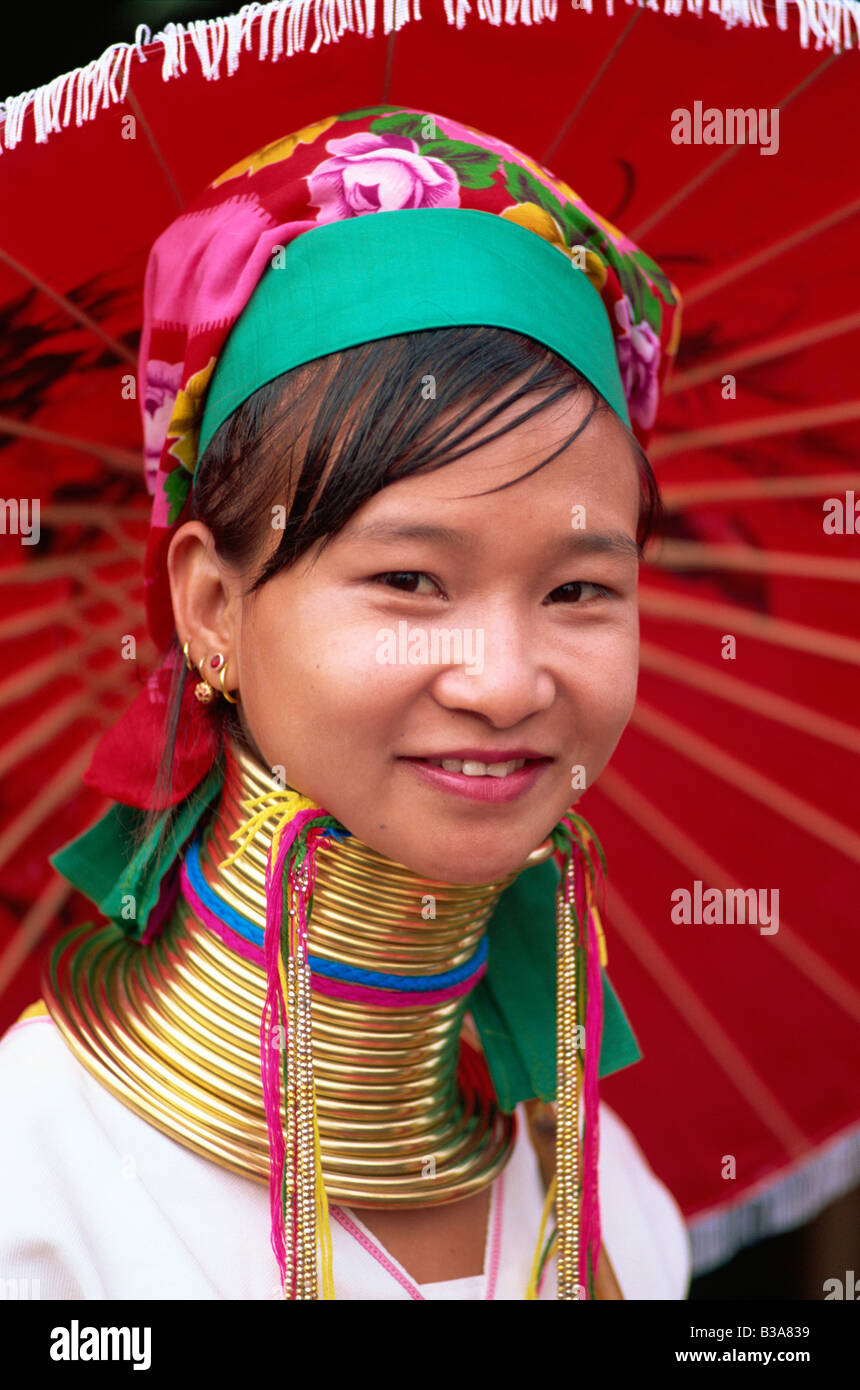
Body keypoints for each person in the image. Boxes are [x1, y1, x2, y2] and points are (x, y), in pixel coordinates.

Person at [0, 104, 691, 1300]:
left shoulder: (607, 1199)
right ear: (212, 606)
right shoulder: (38, 1196)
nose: (506, 678)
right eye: (409, 579)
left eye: (578, 587)